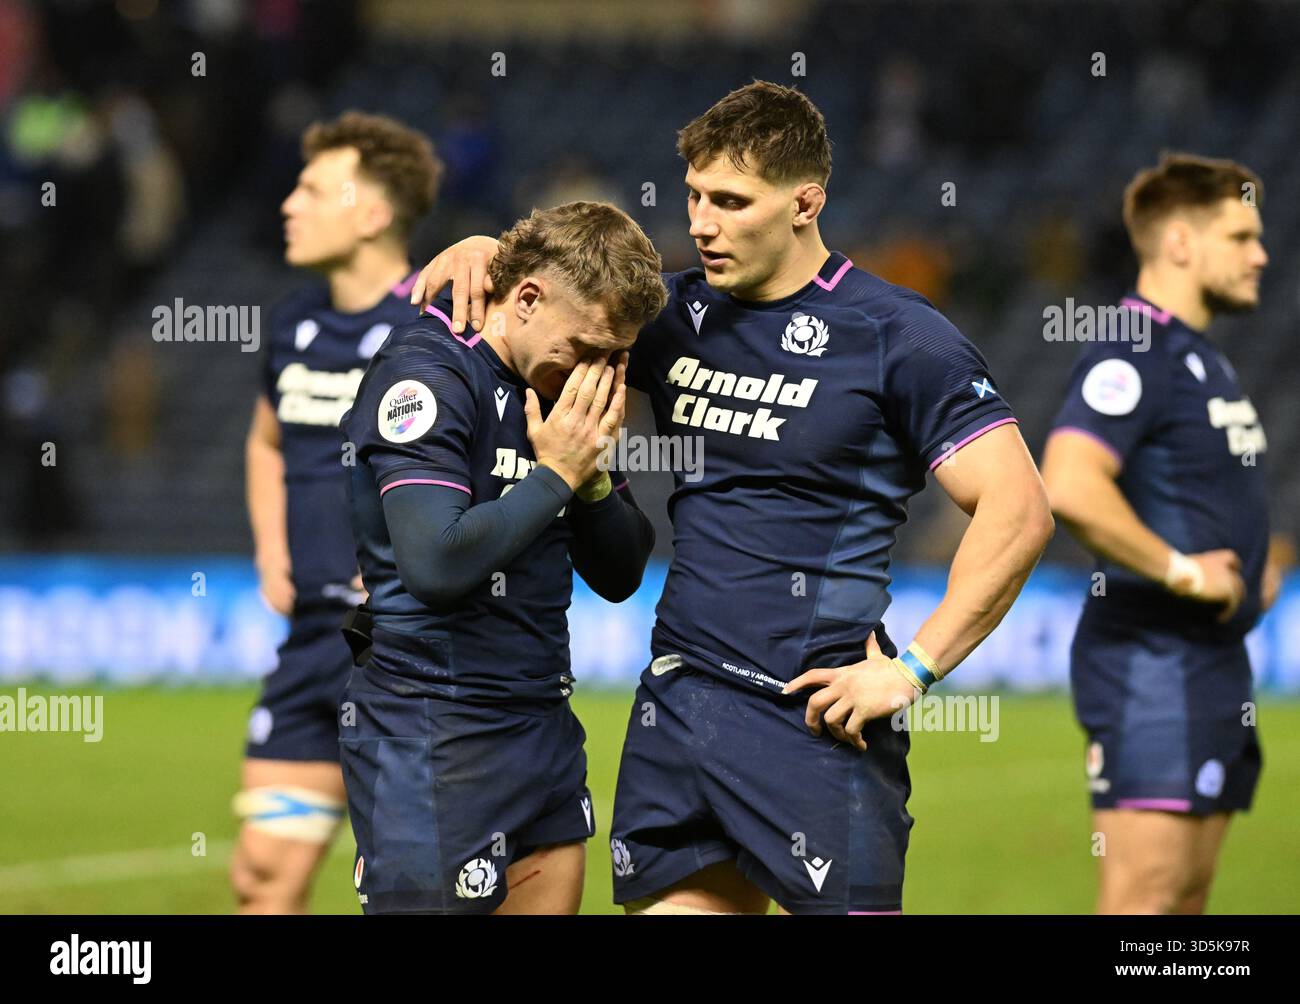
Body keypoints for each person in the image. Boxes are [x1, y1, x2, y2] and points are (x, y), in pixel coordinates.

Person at [410, 82, 1053, 914]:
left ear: (805, 202)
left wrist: (913, 671)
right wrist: (485, 249)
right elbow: (549, 314)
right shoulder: (670, 316)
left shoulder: (898, 336)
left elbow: (1019, 508)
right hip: (678, 703)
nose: (703, 222)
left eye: (730, 201)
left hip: (814, 721)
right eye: (693, 197)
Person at [339, 201, 666, 914]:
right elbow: (437, 565)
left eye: (617, 357)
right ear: (525, 299)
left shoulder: (557, 397)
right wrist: (556, 476)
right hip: (433, 732)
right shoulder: (428, 374)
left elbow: (620, 573)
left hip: (541, 727)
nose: (598, 376)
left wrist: (591, 475)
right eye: (585, 348)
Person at [1041, 153, 1276, 914]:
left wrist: (1247, 572)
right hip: (1153, 663)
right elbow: (1070, 481)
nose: (1261, 254)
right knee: (1147, 902)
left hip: (1207, 664)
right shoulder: (1134, 346)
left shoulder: (1198, 357)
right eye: (1241, 236)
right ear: (1179, 241)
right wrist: (1183, 570)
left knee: (1183, 903)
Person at [232, 111, 441, 914]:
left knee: (410, 891)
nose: (289, 203)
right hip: (310, 637)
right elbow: (266, 440)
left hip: (398, 649)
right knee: (261, 877)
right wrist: (270, 551)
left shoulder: (433, 326)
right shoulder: (290, 321)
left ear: (372, 213)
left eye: (313, 189)